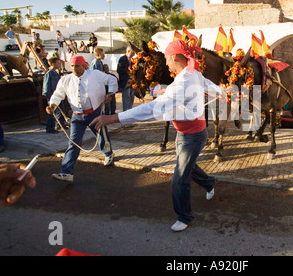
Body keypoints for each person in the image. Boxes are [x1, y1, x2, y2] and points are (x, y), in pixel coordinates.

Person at [90, 40, 224, 232]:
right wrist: (222, 92)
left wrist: (114, 118)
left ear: (176, 57)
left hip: (192, 135)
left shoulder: (186, 79)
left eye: (167, 58)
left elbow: (153, 108)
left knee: (179, 177)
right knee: (188, 167)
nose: (166, 63)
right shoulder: (190, 73)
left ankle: (185, 216)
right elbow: (207, 84)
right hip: (187, 133)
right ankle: (209, 183)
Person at [46, 56, 118, 182]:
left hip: (94, 112)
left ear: (84, 66)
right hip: (77, 116)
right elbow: (58, 94)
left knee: (102, 135)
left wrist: (110, 94)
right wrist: (52, 105)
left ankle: (108, 154)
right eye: (72, 66)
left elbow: (111, 79)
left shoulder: (95, 74)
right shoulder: (65, 80)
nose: (74, 69)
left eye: (77, 66)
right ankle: (66, 172)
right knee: (73, 143)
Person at [43, 57, 66, 133]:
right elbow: (46, 87)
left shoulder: (56, 73)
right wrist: (49, 97)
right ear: (53, 64)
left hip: (58, 95)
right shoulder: (49, 74)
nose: (59, 65)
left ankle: (60, 125)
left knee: (61, 110)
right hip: (52, 95)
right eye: (58, 63)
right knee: (52, 112)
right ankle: (50, 128)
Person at [116, 46, 135, 111]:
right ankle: (125, 113)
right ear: (129, 51)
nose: (134, 55)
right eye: (132, 53)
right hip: (125, 81)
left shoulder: (132, 60)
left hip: (132, 81)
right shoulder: (122, 59)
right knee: (126, 98)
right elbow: (119, 70)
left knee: (131, 97)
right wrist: (129, 71)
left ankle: (129, 111)